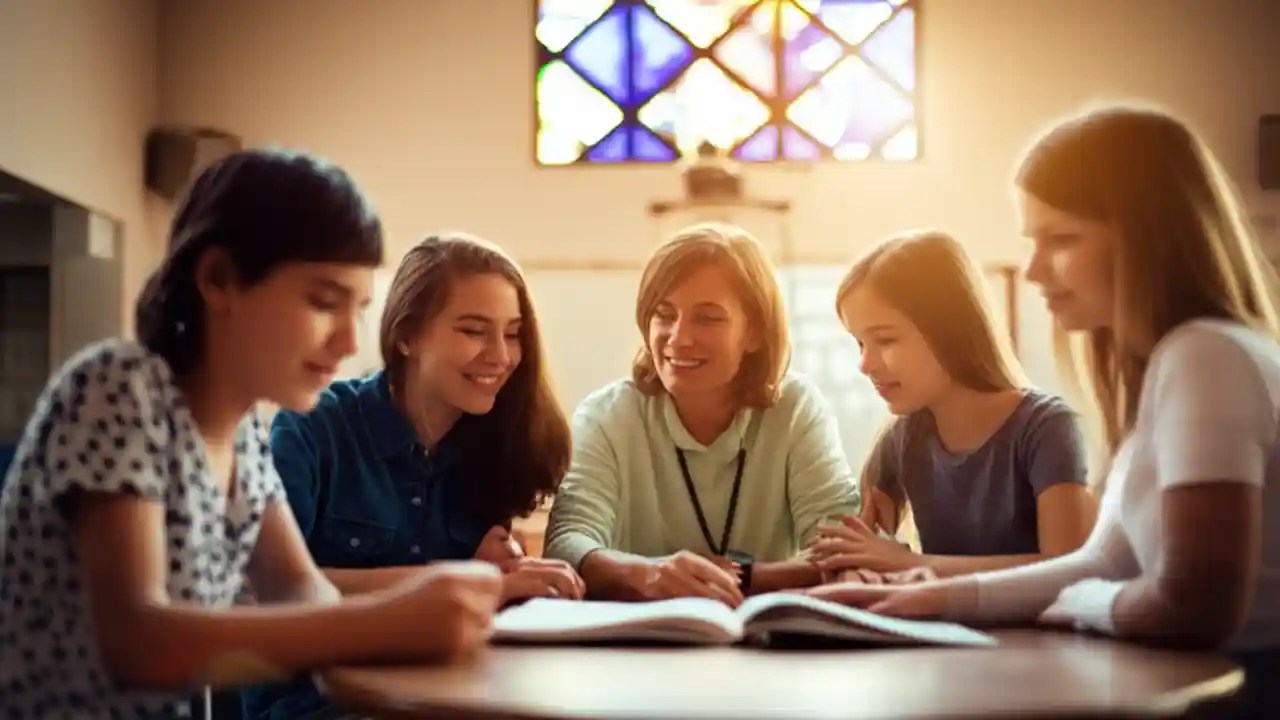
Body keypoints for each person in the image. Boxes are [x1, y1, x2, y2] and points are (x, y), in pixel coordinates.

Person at [810, 106, 1280, 715]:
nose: (1032, 269)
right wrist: (935, 594)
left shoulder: (1205, 356)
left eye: (1061, 239)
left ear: (1145, 233)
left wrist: (1079, 603)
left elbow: (1194, 603)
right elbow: (1104, 560)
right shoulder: (1177, 364)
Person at [0, 150, 502, 719]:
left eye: (358, 309)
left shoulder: (240, 436)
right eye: (322, 302)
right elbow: (136, 644)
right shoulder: (121, 387)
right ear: (219, 280)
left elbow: (302, 593)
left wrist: (424, 626)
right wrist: (392, 618)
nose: (346, 342)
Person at [244, 233, 582, 719]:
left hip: (445, 696)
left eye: (511, 333)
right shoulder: (313, 425)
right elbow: (272, 589)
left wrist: (502, 581)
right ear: (407, 336)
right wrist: (470, 582)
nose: (501, 355)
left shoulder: (496, 443)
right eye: (473, 330)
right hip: (312, 702)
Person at [544, 222, 859, 604]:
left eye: (708, 318)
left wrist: (737, 579)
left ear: (755, 333)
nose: (679, 337)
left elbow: (842, 547)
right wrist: (649, 575)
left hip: (764, 645)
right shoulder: (608, 415)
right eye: (664, 314)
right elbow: (566, 543)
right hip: (637, 649)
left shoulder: (795, 409)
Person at [809, 231, 1094, 581]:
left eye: (885, 339)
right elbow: (858, 554)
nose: (865, 365)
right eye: (859, 343)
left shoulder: (1048, 428)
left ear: (950, 329)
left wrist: (906, 564)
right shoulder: (903, 439)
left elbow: (1069, 570)